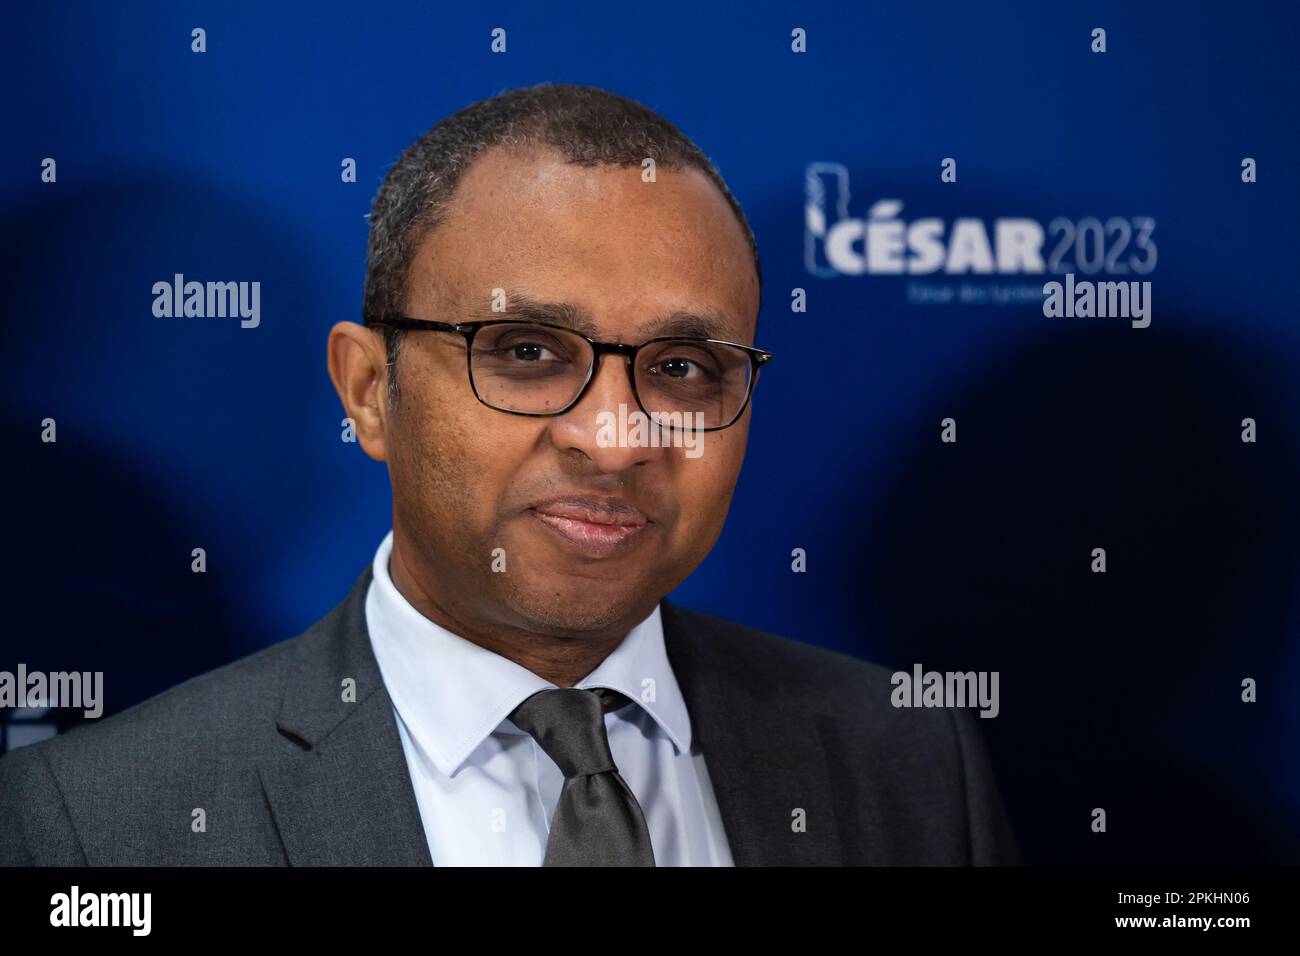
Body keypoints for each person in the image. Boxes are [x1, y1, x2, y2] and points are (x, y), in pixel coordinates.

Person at [0, 82, 1019, 866]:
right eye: (526, 351)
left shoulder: (913, 761)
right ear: (366, 389)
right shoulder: (95, 819)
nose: (615, 438)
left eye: (681, 368)